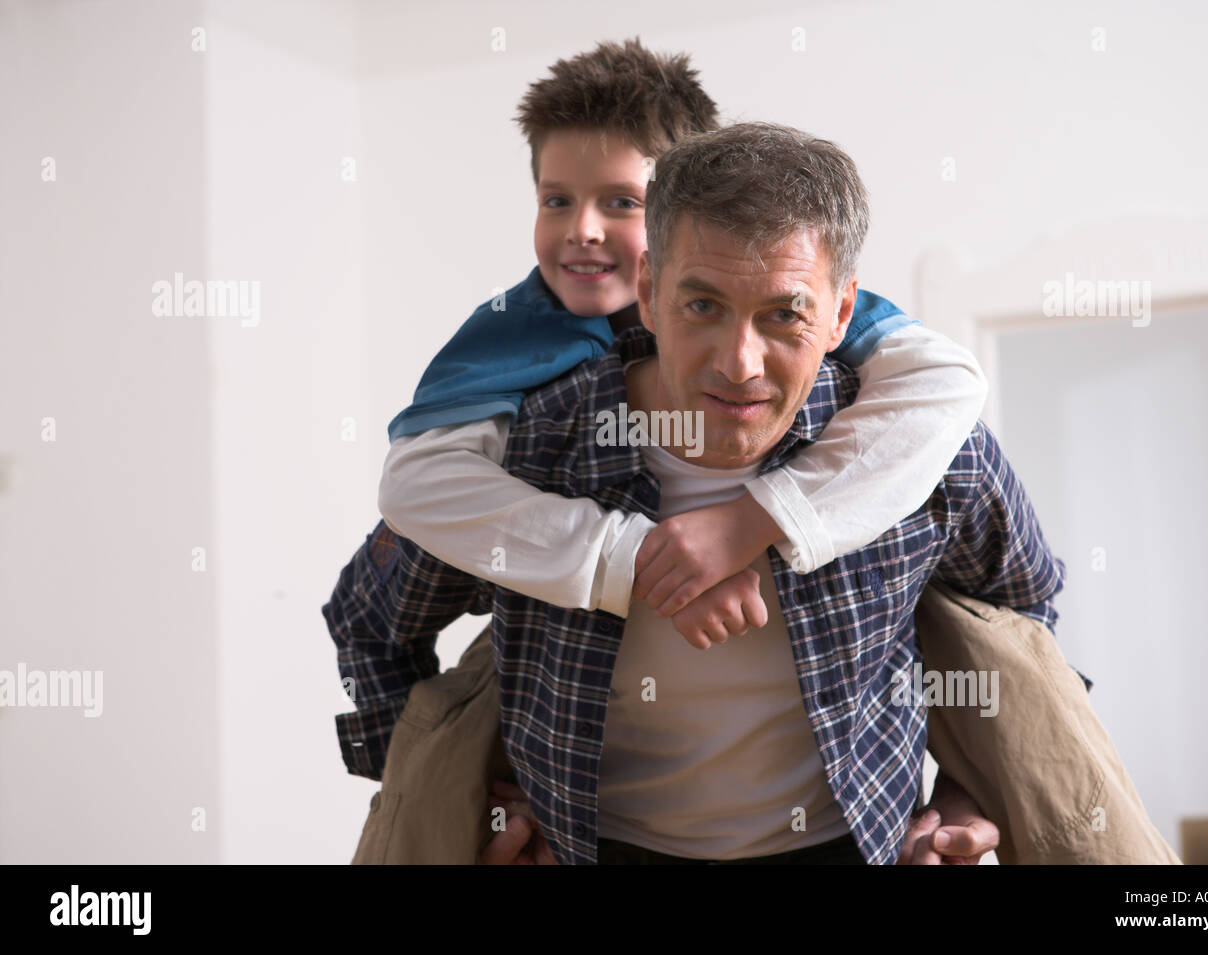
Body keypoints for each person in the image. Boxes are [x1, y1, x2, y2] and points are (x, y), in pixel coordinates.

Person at [332, 121, 1066, 865]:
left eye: (784, 314)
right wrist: (462, 802)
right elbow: (369, 622)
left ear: (843, 314)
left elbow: (1025, 612)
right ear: (648, 293)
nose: (740, 364)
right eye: (702, 305)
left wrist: (966, 794)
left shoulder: (926, 450)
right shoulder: (530, 452)